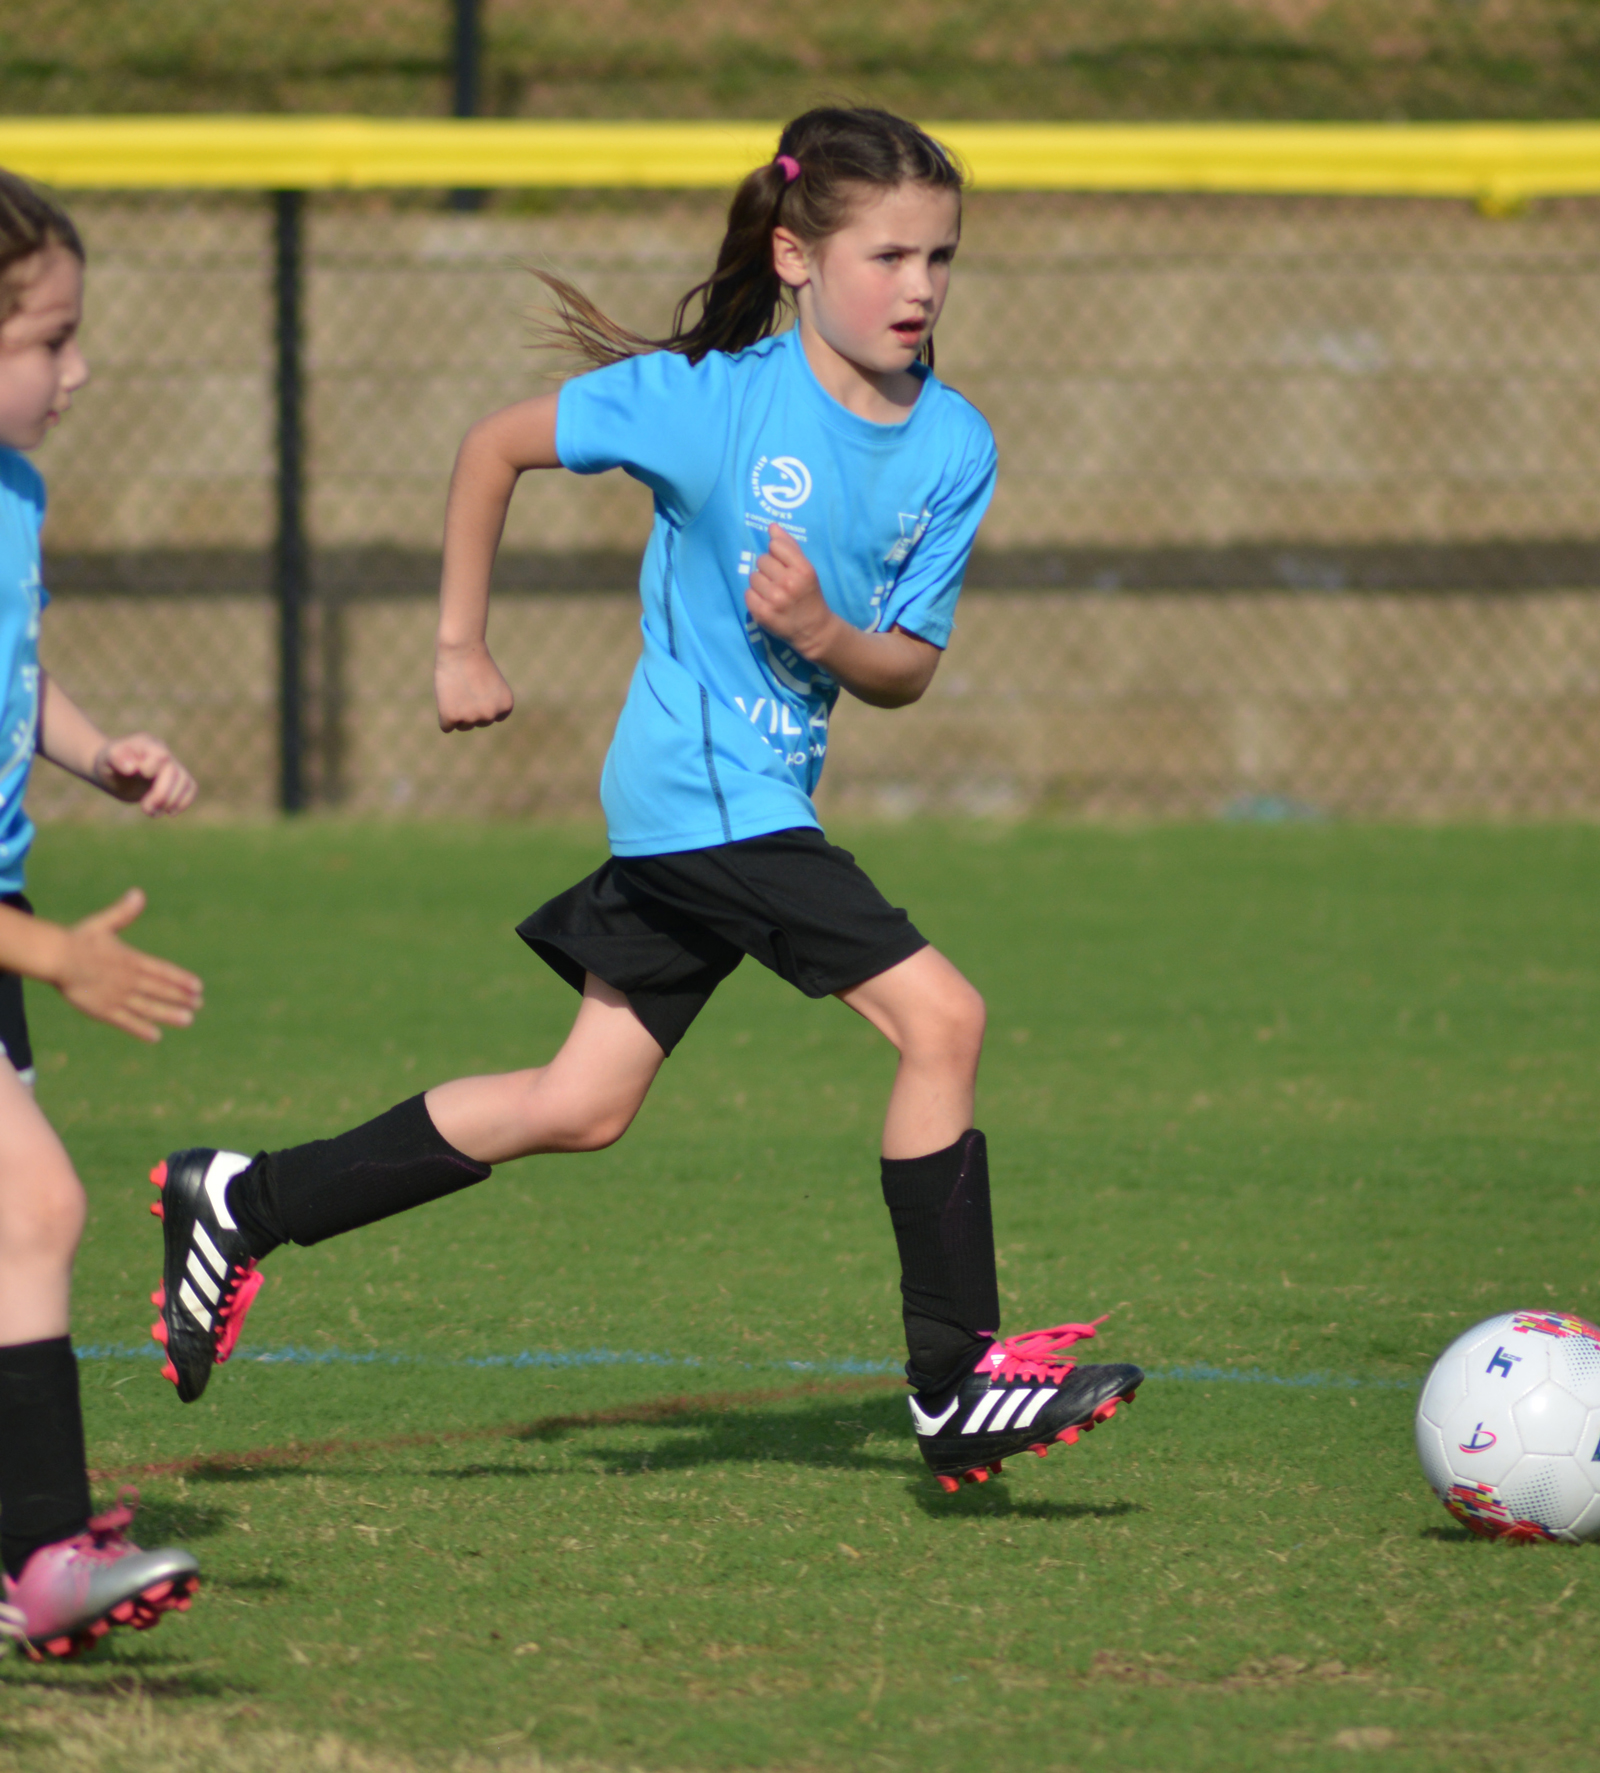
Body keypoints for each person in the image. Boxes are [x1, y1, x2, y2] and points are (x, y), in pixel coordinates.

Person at [150, 107, 1143, 1494]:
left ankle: (245, 1199)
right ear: (794, 257)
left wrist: (825, 633)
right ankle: (957, 1380)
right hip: (702, 794)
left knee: (583, 1100)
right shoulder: (709, 401)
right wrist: (457, 644)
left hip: (748, 802)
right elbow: (494, 446)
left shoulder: (954, 443)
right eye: (887, 256)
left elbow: (907, 669)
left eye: (940, 258)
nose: (918, 287)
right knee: (944, 1018)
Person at [0, 170, 204, 1657]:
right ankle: (40, 1556)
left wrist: (92, 751)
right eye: (48, 340)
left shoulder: (16, 491)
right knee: (38, 1208)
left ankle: (33, 1550)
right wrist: (55, 953)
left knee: (22, 1214)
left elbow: (20, 667)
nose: (78, 372)